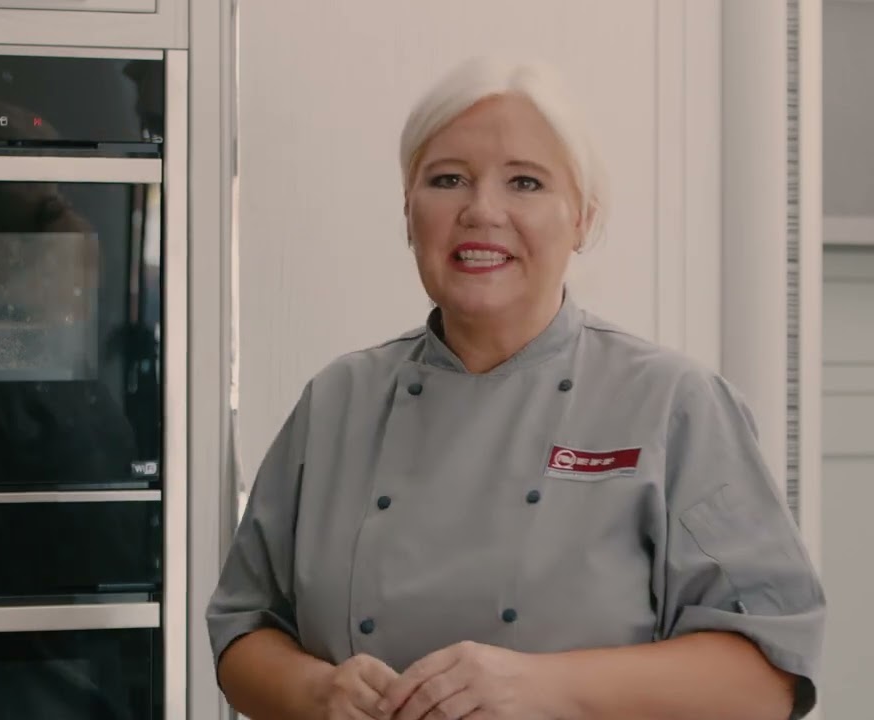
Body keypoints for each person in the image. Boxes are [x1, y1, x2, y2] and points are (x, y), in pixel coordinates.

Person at [206, 56, 825, 720]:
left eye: (525, 182)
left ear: (583, 218)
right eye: (447, 180)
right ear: (409, 214)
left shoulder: (672, 403)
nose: (482, 211)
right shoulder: (337, 400)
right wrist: (313, 692)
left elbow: (769, 674)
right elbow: (243, 630)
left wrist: (540, 688)